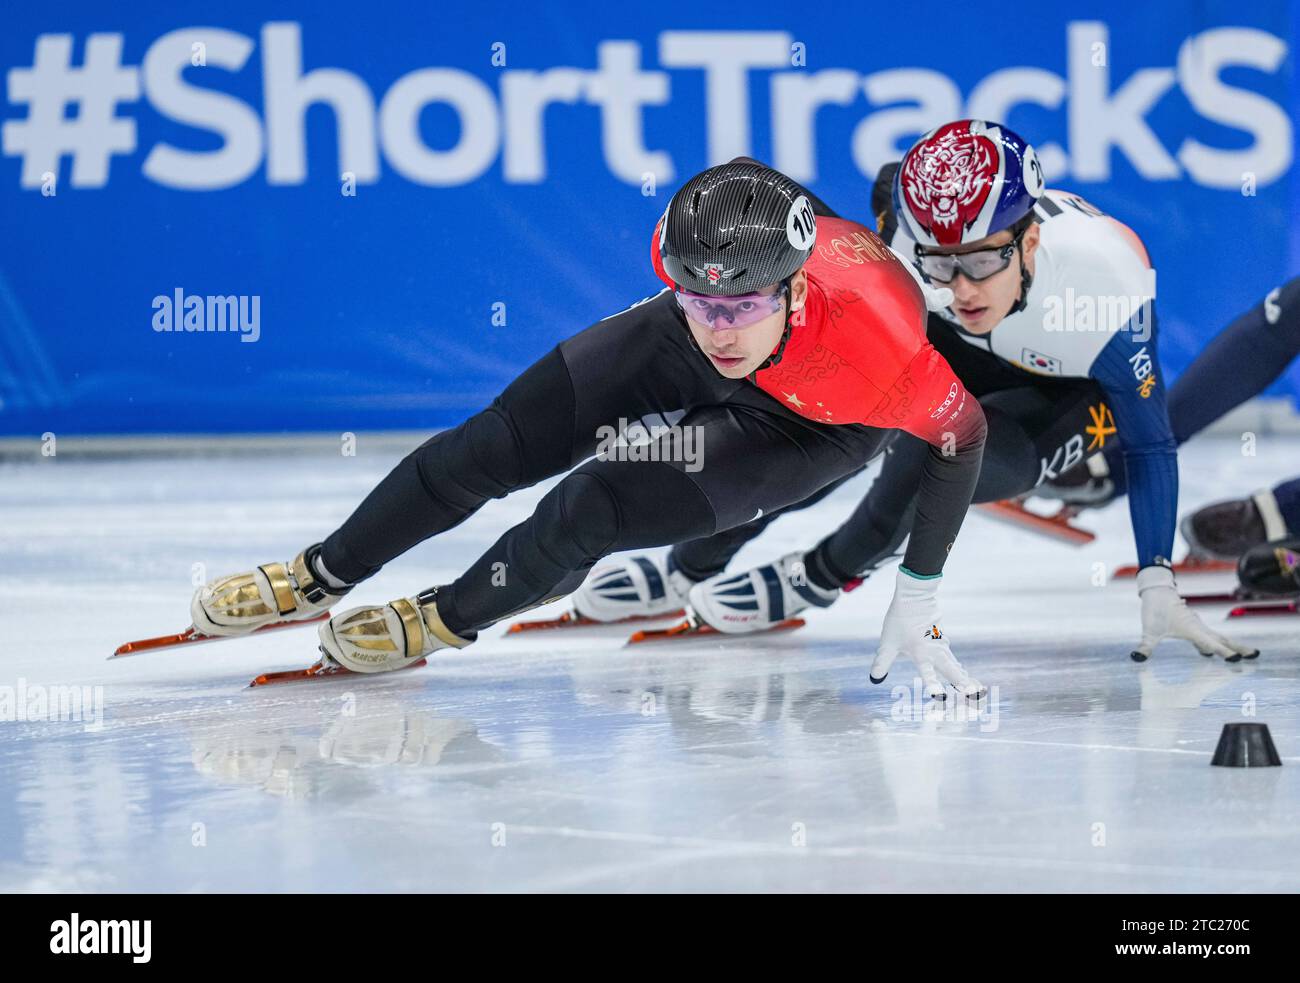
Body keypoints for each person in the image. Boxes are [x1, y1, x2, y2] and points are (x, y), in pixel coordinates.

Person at [190, 159, 990, 696]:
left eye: (742, 306)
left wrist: (918, 592)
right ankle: (319, 573)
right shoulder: (706, 276)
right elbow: (744, 198)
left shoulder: (884, 348)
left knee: (587, 509)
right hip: (691, 344)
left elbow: (965, 437)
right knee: (491, 448)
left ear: (790, 290)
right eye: (699, 298)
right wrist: (711, 312)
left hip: (815, 423)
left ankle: (443, 618)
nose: (721, 327)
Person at [576, 120, 1258, 663]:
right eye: (939, 262)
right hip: (967, 349)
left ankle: (829, 567)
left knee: (950, 445)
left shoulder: (1105, 282)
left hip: (1068, 386)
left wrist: (1157, 577)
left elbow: (1151, 439)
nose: (961, 287)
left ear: (1031, 240)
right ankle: (693, 562)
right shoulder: (903, 227)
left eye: (985, 259)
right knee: (833, 405)